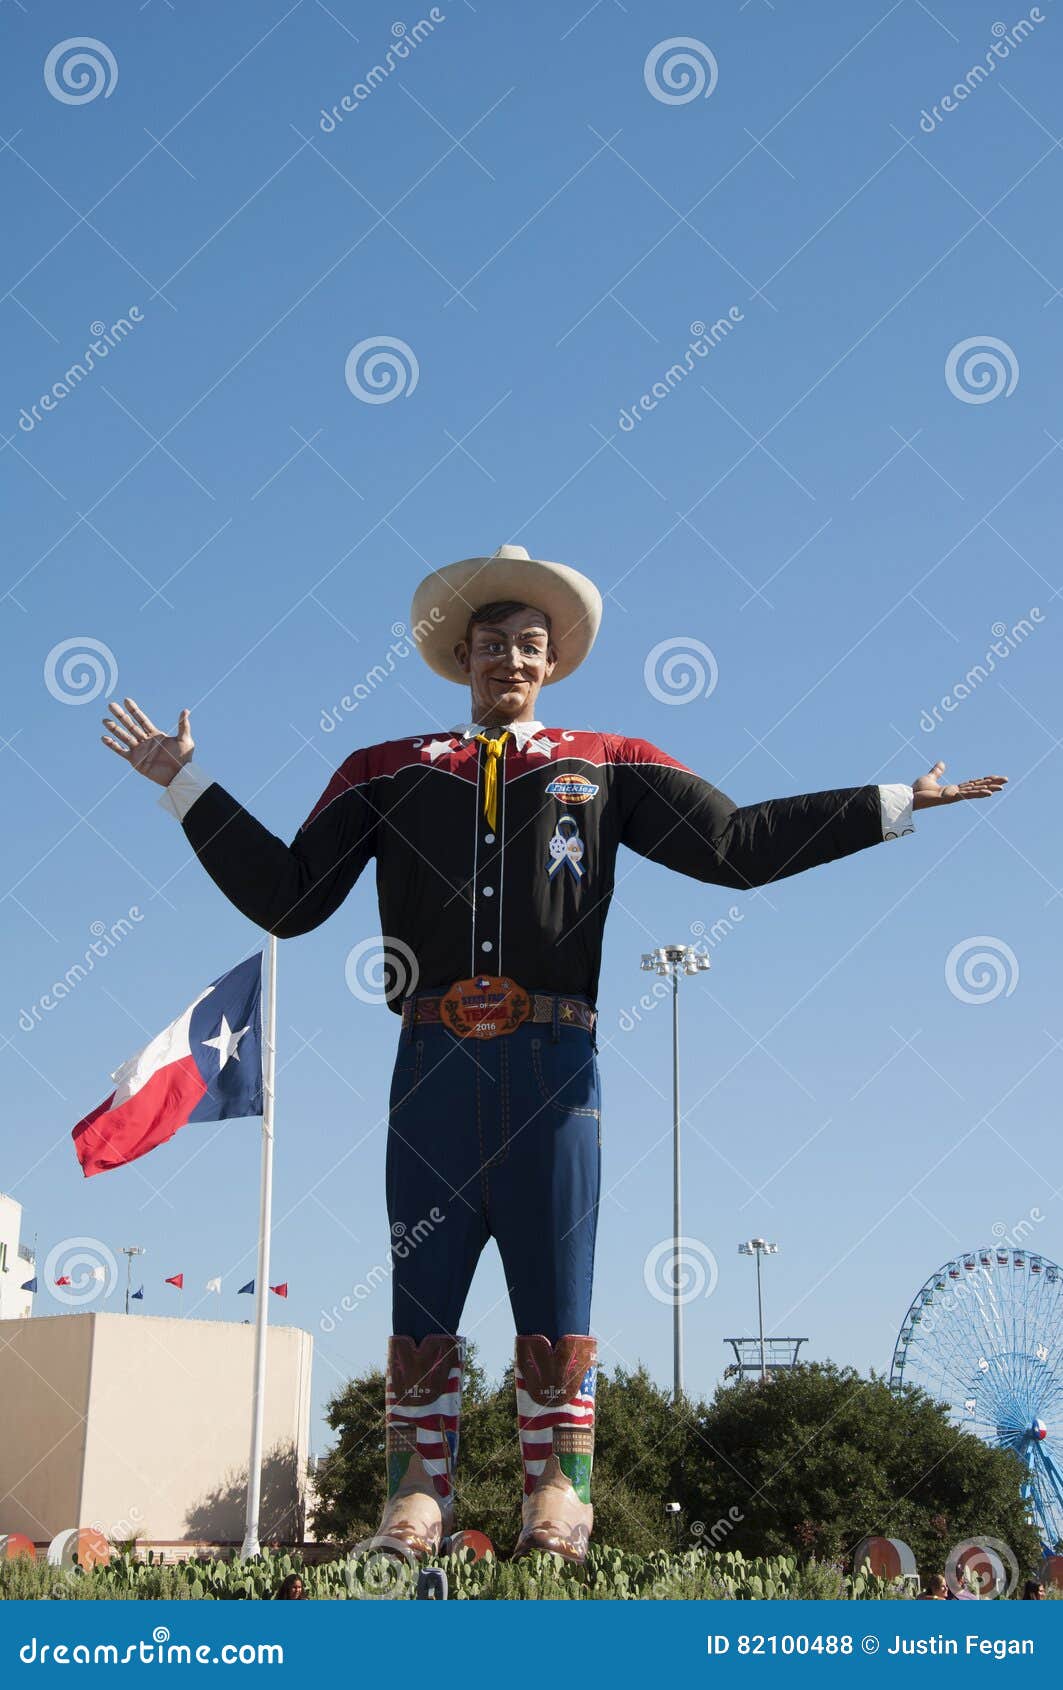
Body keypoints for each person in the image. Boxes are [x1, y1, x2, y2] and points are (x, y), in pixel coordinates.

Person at [100, 543, 1007, 1564]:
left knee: (557, 1289)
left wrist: (894, 803)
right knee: (422, 1292)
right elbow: (289, 897)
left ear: (554, 661)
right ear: (460, 656)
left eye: (530, 644)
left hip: (555, 1068)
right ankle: (415, 1494)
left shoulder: (609, 761)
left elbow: (736, 848)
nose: (512, 660)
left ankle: (557, 1493)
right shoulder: (384, 768)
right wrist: (186, 785)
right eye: (493, 643)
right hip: (432, 1062)